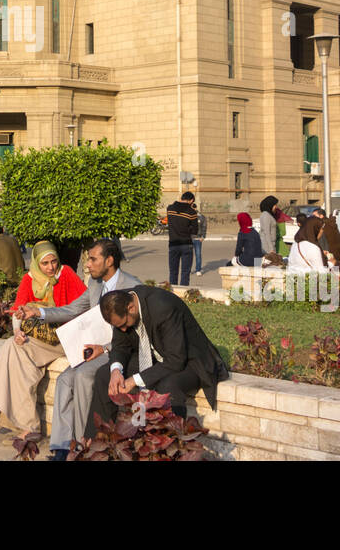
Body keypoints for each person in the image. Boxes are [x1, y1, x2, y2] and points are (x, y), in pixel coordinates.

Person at [19, 239, 141, 460]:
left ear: (110, 260)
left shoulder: (131, 286)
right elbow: (74, 309)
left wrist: (104, 348)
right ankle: (62, 447)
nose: (88, 265)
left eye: (93, 259)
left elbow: (136, 334)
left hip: (116, 352)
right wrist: (39, 314)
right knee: (65, 379)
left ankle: (82, 444)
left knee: (83, 375)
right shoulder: (95, 284)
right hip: (91, 350)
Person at [86, 286, 231, 436]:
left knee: (168, 386)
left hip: (189, 361)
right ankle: (96, 441)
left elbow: (176, 360)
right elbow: (120, 345)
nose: (123, 330)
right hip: (156, 355)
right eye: (118, 327)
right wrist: (116, 370)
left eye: (123, 325)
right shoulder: (120, 305)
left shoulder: (163, 307)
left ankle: (170, 444)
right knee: (105, 375)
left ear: (131, 307)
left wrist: (134, 380)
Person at [0, 241, 86, 432]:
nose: (51, 267)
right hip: (39, 339)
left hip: (63, 337)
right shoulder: (29, 279)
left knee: (15, 353)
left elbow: (85, 305)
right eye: (45, 263)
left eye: (53, 261)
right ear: (37, 263)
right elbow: (17, 310)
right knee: (13, 344)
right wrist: (18, 331)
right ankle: (25, 423)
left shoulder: (66, 273)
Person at [166, 191, 198, 286]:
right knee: (185, 272)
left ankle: (172, 294)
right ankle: (183, 294)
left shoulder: (170, 209)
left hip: (173, 244)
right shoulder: (192, 212)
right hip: (186, 244)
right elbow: (195, 231)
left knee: (173, 271)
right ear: (191, 200)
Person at [191, 210, 207, 276]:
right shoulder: (188, 216)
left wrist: (203, 236)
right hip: (189, 239)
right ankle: (188, 269)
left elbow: (204, 227)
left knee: (198, 255)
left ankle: (198, 270)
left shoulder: (201, 217)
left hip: (198, 238)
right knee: (188, 255)